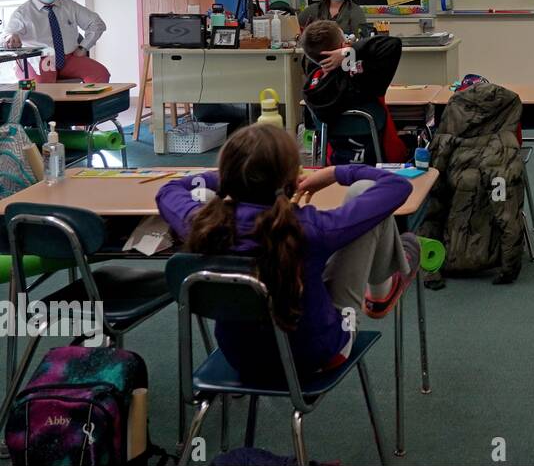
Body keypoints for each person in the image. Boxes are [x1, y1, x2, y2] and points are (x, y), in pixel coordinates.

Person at [156, 124, 420, 380]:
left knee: (311, 263)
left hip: (240, 358)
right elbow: (397, 187)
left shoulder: (201, 224)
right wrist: (334, 173)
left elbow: (168, 190)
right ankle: (382, 291)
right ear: (291, 179)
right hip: (319, 355)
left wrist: (226, 178)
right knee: (369, 211)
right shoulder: (311, 228)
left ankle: (382, 290)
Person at [301, 19, 404, 164]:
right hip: (382, 161)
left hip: (336, 168)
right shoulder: (365, 77)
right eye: (346, 38)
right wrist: (351, 51)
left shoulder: (312, 88)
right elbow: (392, 44)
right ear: (343, 46)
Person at [0, 0, 109, 83]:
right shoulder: (23, 12)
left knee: (100, 73)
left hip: (70, 57)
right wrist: (11, 37)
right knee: (45, 88)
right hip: (40, 59)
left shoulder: (69, 6)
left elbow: (97, 24)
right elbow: (8, 34)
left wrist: (84, 47)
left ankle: (85, 101)